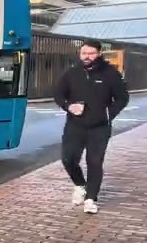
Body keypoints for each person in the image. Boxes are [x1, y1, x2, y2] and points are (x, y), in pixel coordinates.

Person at [54, 40, 129, 214]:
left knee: (94, 162)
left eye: (91, 53)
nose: (87, 57)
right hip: (75, 125)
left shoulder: (111, 73)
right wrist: (68, 106)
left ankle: (91, 199)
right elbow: (58, 94)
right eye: (84, 53)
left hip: (100, 127)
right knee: (68, 159)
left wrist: (108, 114)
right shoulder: (72, 73)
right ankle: (80, 185)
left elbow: (122, 98)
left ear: (99, 54)